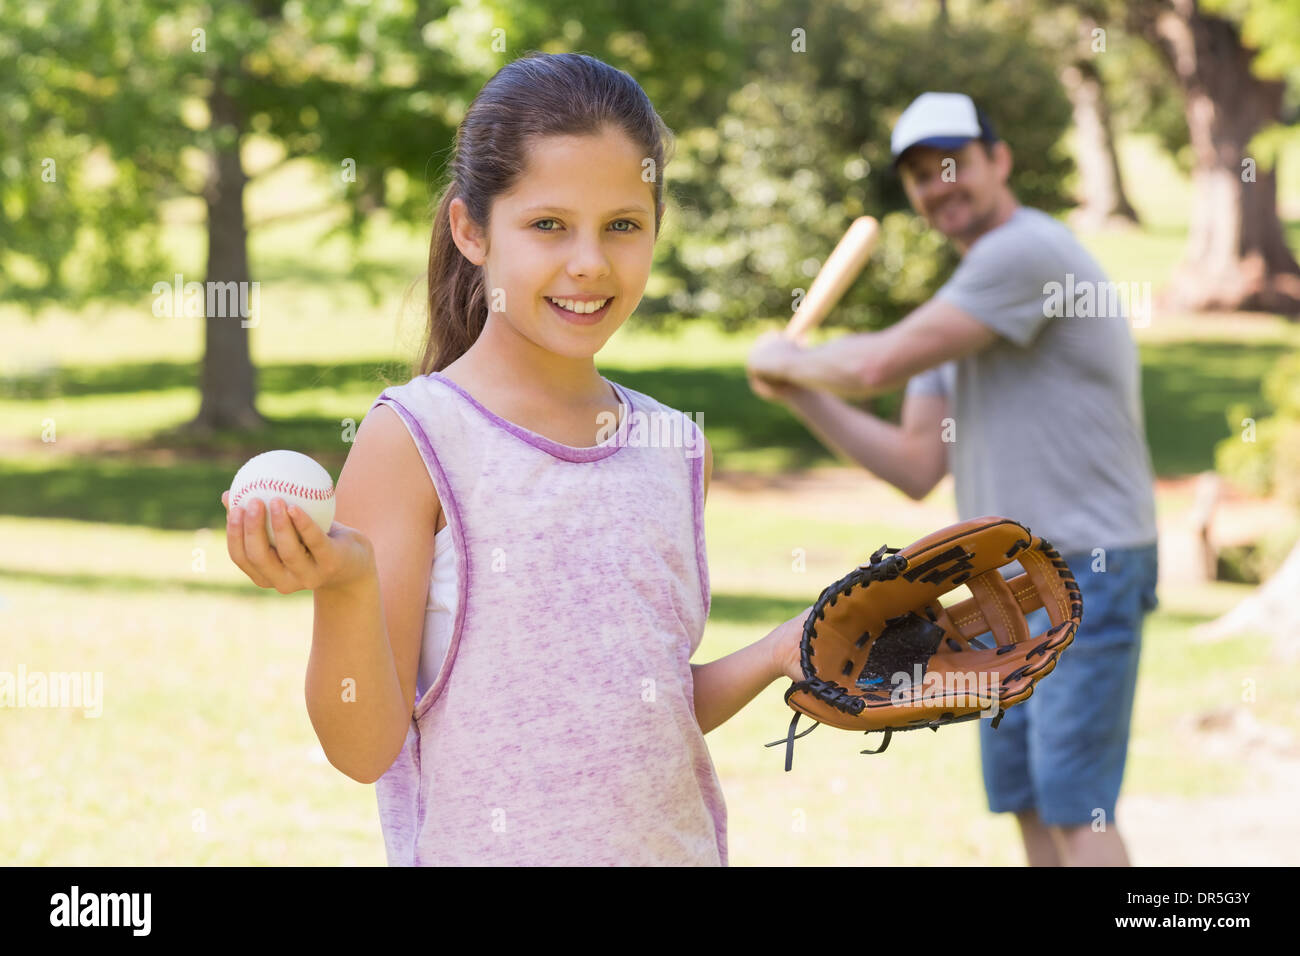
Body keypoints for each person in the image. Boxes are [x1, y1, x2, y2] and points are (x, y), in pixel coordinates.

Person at [221, 52, 808, 866]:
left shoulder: (674, 446)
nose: (590, 264)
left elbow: (639, 709)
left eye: (623, 226)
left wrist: (780, 650)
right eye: (547, 225)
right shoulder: (416, 439)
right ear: (472, 230)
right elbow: (362, 748)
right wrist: (346, 587)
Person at [746, 92, 1158, 867]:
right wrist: (798, 389)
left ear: (998, 162)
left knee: (1078, 809)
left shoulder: (1026, 253)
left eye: (954, 163)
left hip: (1090, 563)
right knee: (1028, 802)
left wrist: (788, 360)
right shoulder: (961, 303)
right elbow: (912, 465)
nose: (939, 185)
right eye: (918, 175)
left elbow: (872, 363)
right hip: (1004, 577)